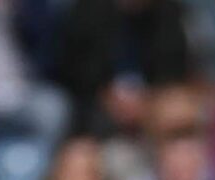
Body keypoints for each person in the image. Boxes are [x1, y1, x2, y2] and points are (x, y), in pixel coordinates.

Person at [59, 0, 193, 138]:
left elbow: (172, 70)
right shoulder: (88, 11)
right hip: (98, 104)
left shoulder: (168, 12)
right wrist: (108, 98)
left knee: (177, 110)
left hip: (152, 101)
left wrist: (149, 100)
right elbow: (77, 72)